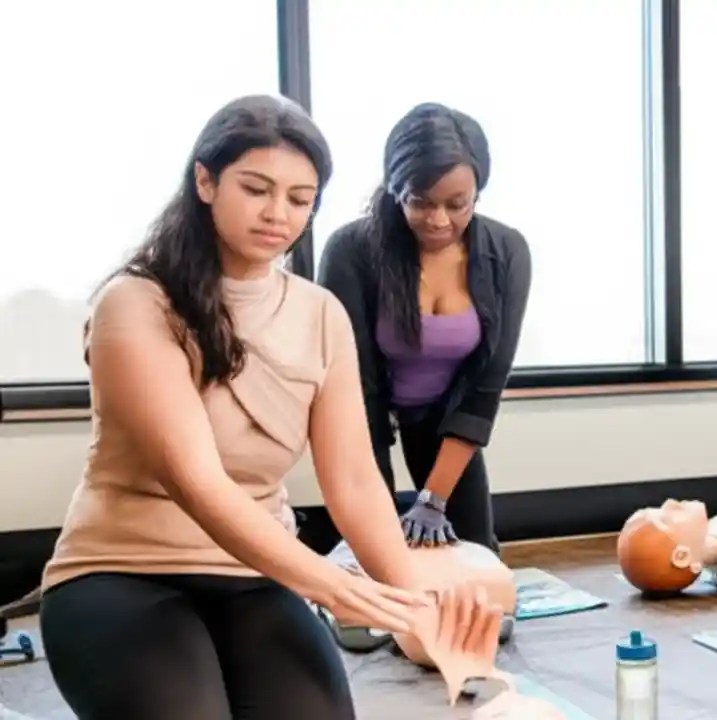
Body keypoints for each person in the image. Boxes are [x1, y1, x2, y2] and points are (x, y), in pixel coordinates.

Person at [38, 95, 496, 720]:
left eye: (300, 199)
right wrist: (334, 588)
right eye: (257, 189)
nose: (279, 214)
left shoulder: (320, 313)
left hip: (255, 580)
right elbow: (196, 482)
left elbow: (357, 482)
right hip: (120, 573)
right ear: (205, 180)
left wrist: (417, 607)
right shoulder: (136, 303)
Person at [318, 102, 531, 553]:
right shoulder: (351, 251)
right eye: (421, 202)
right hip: (359, 412)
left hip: (445, 413)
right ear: (396, 190)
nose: (439, 220)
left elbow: (483, 387)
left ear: (478, 192)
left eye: (457, 205)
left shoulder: (507, 252)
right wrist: (374, 519)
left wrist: (433, 500)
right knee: (373, 550)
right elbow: (357, 394)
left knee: (477, 554)